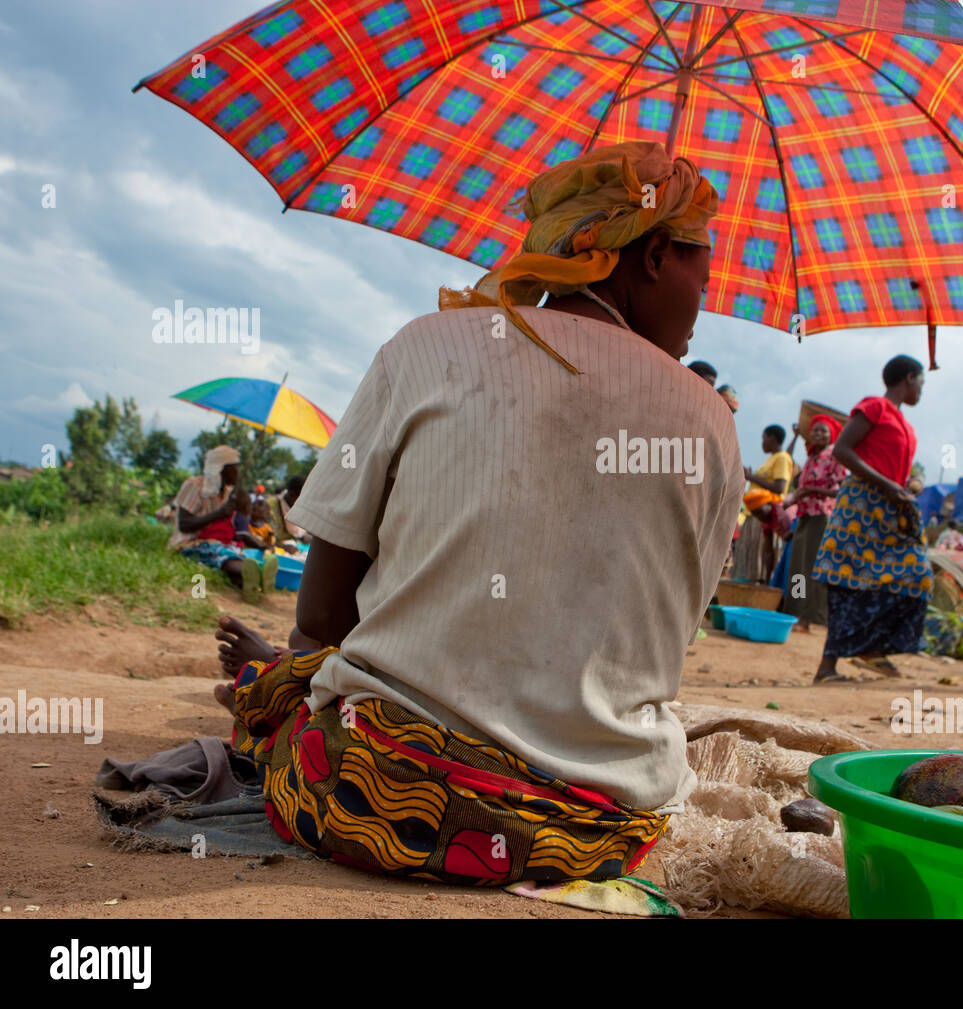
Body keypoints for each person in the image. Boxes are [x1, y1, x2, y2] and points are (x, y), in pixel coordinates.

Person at [214, 141, 743, 886]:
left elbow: (325, 615)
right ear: (654, 254)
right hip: (596, 830)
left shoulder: (425, 348)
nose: (703, 303)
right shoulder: (713, 422)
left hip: (372, 794)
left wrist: (297, 671)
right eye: (703, 274)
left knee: (284, 688)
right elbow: (662, 640)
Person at [811, 355, 931, 683]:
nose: (922, 388)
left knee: (915, 576)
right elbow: (843, 450)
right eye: (921, 380)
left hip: (892, 510)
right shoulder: (875, 407)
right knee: (848, 581)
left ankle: (873, 649)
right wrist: (889, 484)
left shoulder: (906, 426)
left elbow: (894, 468)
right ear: (909, 377)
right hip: (861, 507)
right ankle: (827, 667)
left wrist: (908, 485)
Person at [781, 414, 847, 631]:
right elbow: (793, 470)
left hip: (822, 516)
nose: (818, 434)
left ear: (832, 435)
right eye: (815, 430)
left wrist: (814, 490)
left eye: (823, 431)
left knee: (811, 567)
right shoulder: (811, 458)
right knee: (798, 568)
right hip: (804, 515)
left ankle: (808, 618)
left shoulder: (834, 456)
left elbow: (841, 488)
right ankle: (795, 612)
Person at [170, 445, 249, 592]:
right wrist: (217, 514)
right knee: (221, 554)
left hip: (212, 542)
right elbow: (184, 524)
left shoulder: (226, 492)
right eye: (234, 468)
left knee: (232, 561)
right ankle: (251, 573)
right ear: (222, 469)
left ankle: (246, 579)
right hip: (188, 543)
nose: (237, 473)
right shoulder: (194, 485)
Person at [743, 424, 795, 582]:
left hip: (773, 509)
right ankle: (766, 581)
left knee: (780, 548)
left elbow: (779, 488)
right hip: (762, 511)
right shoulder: (772, 459)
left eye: (763, 438)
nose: (762, 442)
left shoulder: (782, 458)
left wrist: (751, 478)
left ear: (772, 439)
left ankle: (776, 582)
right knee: (767, 548)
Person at [265, 474, 307, 551]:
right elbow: (264, 537)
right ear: (292, 494)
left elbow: (298, 533)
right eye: (302, 498)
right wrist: (282, 546)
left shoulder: (298, 510)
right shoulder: (269, 506)